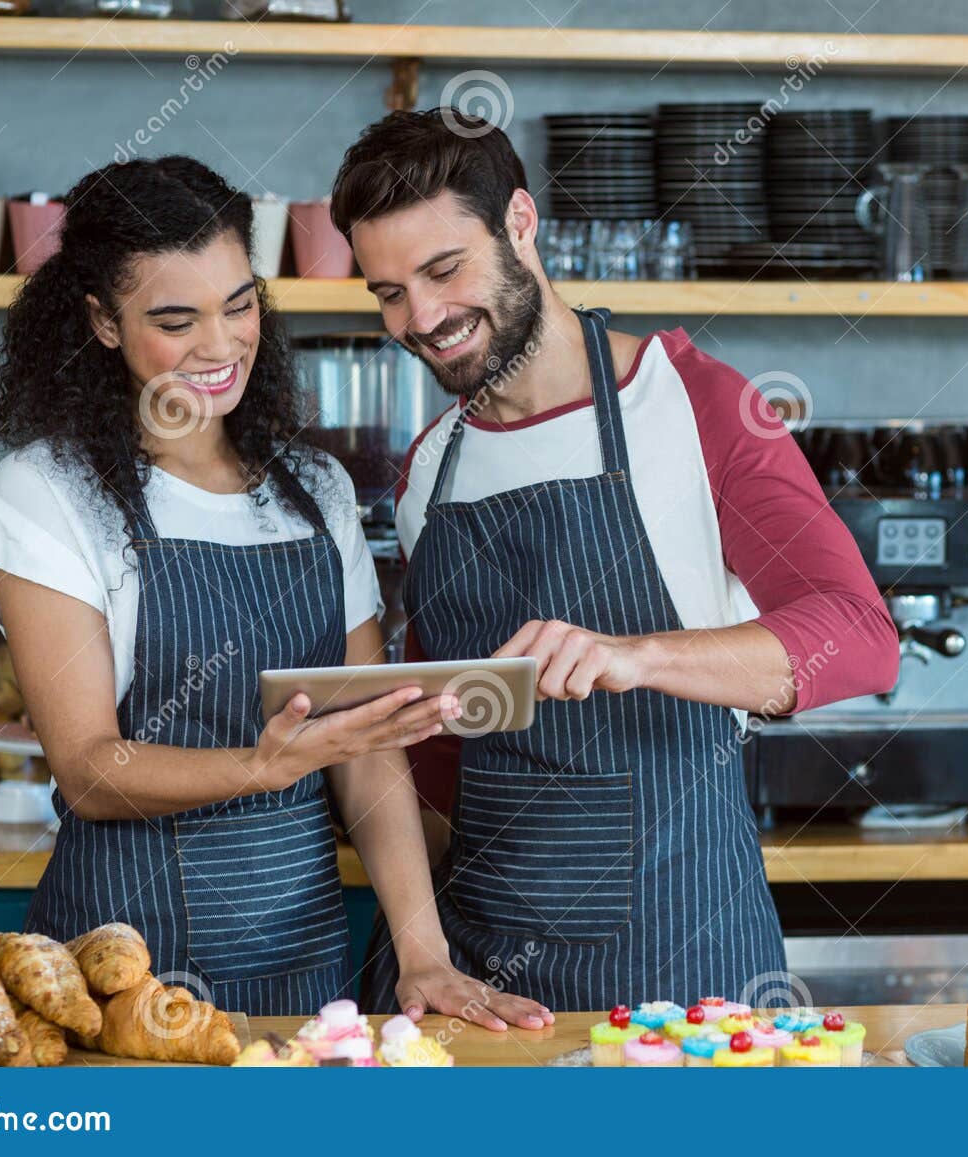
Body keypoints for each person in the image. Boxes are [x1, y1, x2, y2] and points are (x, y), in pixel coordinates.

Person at [329, 110, 902, 1013]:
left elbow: (860, 637)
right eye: (388, 292)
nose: (423, 319)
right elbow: (438, 744)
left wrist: (638, 655)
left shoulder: (694, 403)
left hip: (677, 962)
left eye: (444, 271)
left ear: (521, 222)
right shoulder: (431, 466)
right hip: (474, 968)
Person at [0, 155, 551, 1028]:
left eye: (239, 304)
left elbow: (369, 744)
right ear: (102, 322)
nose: (220, 344)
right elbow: (88, 768)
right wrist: (263, 766)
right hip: (124, 985)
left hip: (307, 984)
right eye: (175, 319)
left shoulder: (313, 488)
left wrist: (424, 953)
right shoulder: (47, 492)